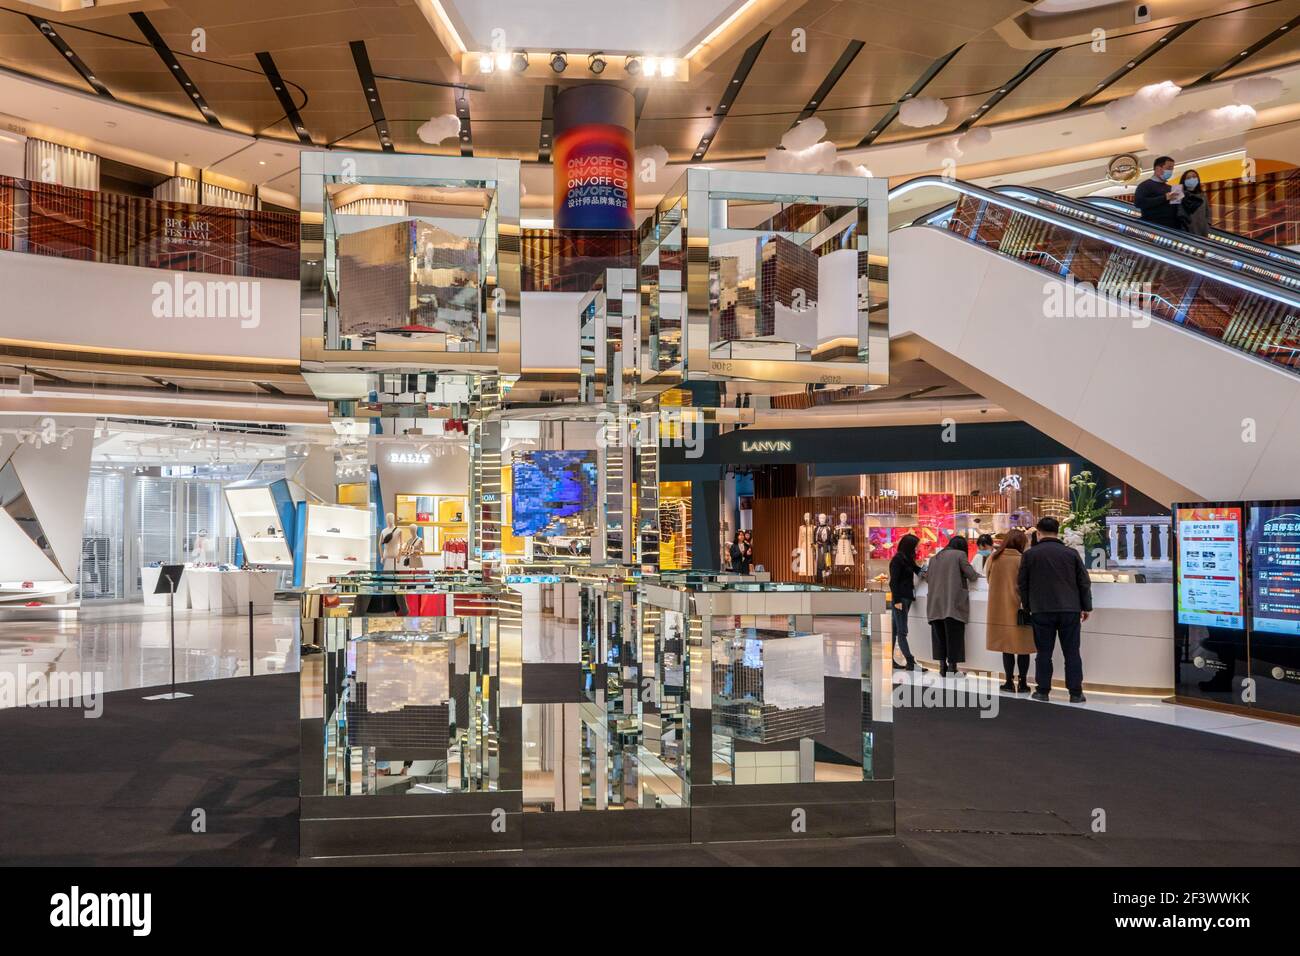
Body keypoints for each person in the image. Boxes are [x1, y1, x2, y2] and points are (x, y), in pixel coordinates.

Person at [1018, 516, 1093, 703]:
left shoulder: (1030, 554)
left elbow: (1023, 584)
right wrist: (1086, 607)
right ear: (1058, 531)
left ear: (1038, 532)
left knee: (1044, 652)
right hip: (1070, 609)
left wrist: (1028, 606)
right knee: (1072, 652)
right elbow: (1083, 582)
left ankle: (1042, 691)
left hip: (1041, 609)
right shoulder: (1071, 553)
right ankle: (1076, 693)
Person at [985, 529, 1033, 693]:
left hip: (999, 609)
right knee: (1023, 647)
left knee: (1006, 647)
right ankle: (1023, 683)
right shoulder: (1023, 559)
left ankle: (1008, 681)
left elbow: (988, 579)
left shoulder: (994, 558)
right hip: (1020, 609)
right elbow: (1028, 584)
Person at [926, 535, 980, 677]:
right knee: (954, 636)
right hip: (952, 603)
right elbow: (972, 575)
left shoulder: (934, 558)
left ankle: (942, 667)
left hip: (934, 604)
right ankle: (952, 668)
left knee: (939, 636)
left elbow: (927, 578)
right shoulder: (960, 555)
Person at [887, 533, 925, 671]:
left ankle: (892, 660)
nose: (916, 549)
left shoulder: (908, 559)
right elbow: (893, 583)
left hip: (906, 598)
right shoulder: (897, 560)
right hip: (900, 599)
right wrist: (896, 600)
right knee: (902, 631)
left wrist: (926, 569)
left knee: (896, 629)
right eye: (915, 547)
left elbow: (918, 571)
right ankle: (910, 661)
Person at [1134, 156, 1183, 230]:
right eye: (1169, 168)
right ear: (1158, 168)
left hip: (1172, 228)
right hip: (1153, 228)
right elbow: (1139, 203)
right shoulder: (1145, 185)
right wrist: (1165, 198)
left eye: (1172, 169)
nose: (1171, 171)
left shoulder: (1169, 187)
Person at [1178, 169, 1209, 236]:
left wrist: (1207, 226)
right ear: (1184, 180)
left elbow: (1207, 213)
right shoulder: (1179, 194)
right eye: (1188, 178)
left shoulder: (1203, 195)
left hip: (1202, 230)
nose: (1192, 179)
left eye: (1194, 177)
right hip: (1185, 231)